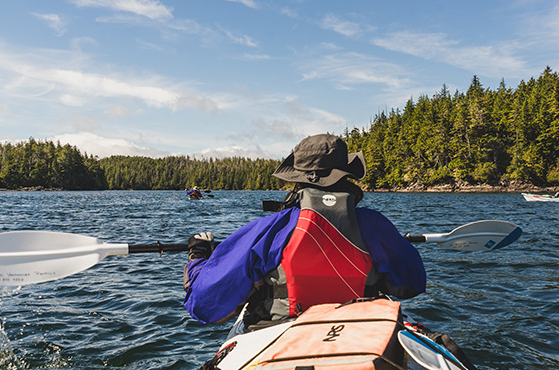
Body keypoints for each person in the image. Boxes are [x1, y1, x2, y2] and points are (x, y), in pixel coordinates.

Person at [182, 133, 427, 329]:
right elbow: (411, 284)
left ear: (297, 181)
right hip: (359, 331)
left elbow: (204, 305)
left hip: (283, 332)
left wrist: (198, 258)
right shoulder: (376, 226)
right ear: (347, 176)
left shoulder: (270, 229)